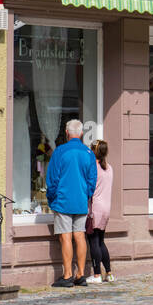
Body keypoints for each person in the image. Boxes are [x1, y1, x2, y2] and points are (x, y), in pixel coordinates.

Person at [45, 118, 96, 288]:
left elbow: (52, 179)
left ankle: (67, 275)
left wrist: (51, 198)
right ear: (81, 133)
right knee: (80, 235)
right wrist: (86, 195)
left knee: (65, 236)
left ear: (66, 133)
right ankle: (80, 274)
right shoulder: (89, 153)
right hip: (81, 201)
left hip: (63, 200)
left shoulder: (60, 152)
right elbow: (92, 181)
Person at [85, 140, 114, 284]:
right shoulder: (109, 168)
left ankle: (97, 274)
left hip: (95, 208)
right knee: (101, 241)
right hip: (106, 208)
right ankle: (108, 273)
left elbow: (89, 189)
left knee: (93, 241)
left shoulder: (93, 168)